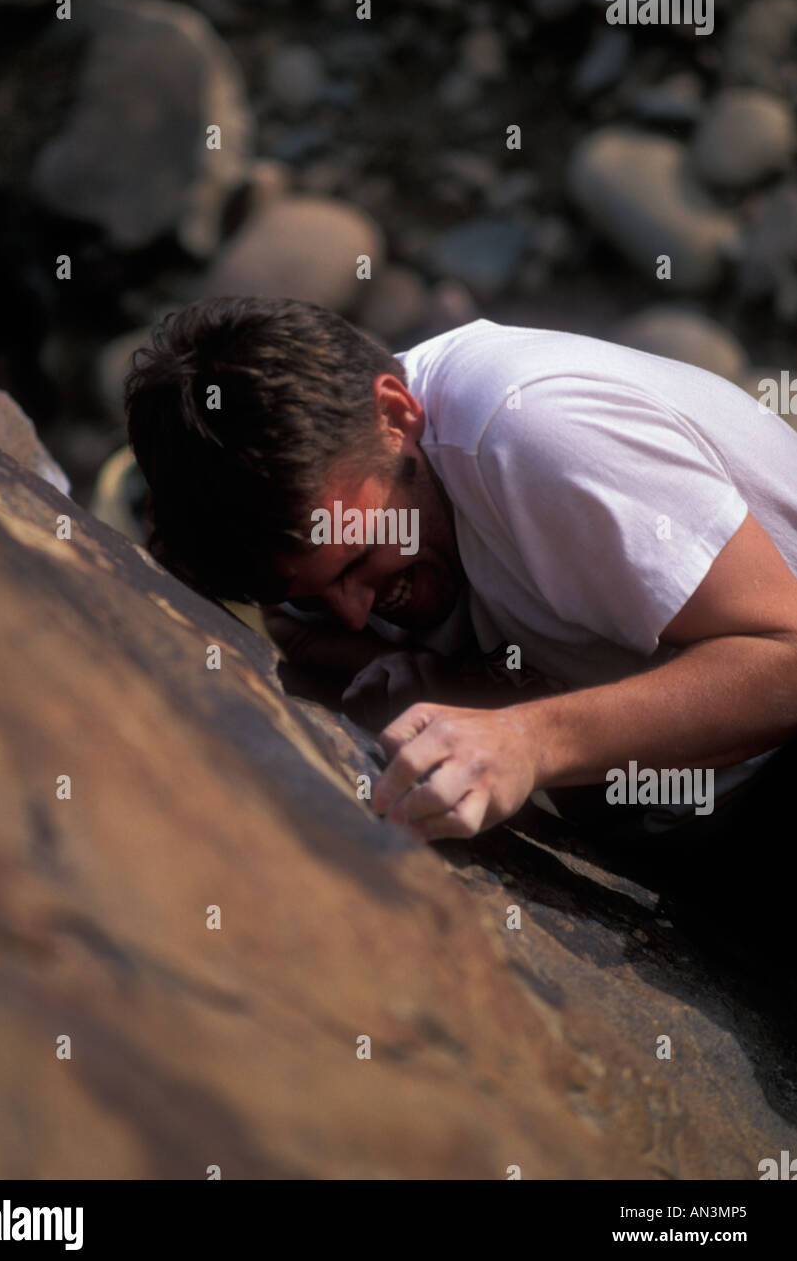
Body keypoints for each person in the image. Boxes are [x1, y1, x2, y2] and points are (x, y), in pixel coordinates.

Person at [124, 295, 797, 848]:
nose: (355, 611)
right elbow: (297, 621)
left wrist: (530, 739)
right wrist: (447, 677)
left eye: (359, 562)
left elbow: (786, 661)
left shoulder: (534, 434)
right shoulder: (312, 534)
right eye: (312, 593)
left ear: (395, 415)